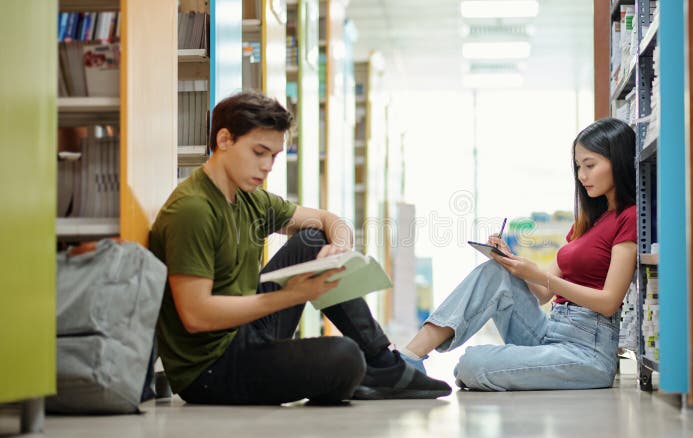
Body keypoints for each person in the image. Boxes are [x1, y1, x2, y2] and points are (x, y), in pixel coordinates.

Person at [150, 91, 451, 405]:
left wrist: (339, 244)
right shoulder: (193, 209)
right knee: (344, 356)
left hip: (247, 330)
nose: (267, 166)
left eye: (274, 156)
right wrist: (294, 295)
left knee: (312, 240)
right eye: (259, 152)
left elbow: (325, 219)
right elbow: (196, 316)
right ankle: (361, 371)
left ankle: (384, 363)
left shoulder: (249, 197)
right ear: (224, 139)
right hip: (211, 368)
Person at [399, 118, 638, 391]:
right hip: (552, 331)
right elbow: (544, 293)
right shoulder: (587, 221)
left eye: (590, 165)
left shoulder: (628, 218)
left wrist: (540, 276)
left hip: (587, 352)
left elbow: (609, 302)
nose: (582, 176)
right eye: (578, 166)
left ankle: (460, 366)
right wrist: (512, 262)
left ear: (616, 162)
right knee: (495, 273)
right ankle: (408, 359)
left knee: (472, 364)